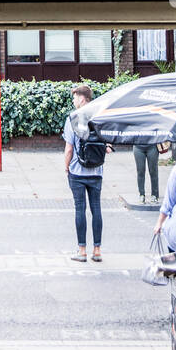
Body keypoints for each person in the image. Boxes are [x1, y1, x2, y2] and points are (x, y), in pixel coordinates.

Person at [63, 85, 108, 262]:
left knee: (80, 209)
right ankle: (97, 251)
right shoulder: (99, 117)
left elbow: (69, 149)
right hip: (96, 171)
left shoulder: (73, 118)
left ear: (82, 99)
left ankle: (82, 251)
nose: (73, 101)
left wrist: (66, 167)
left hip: (77, 171)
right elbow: (106, 142)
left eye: (75, 98)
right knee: (96, 209)